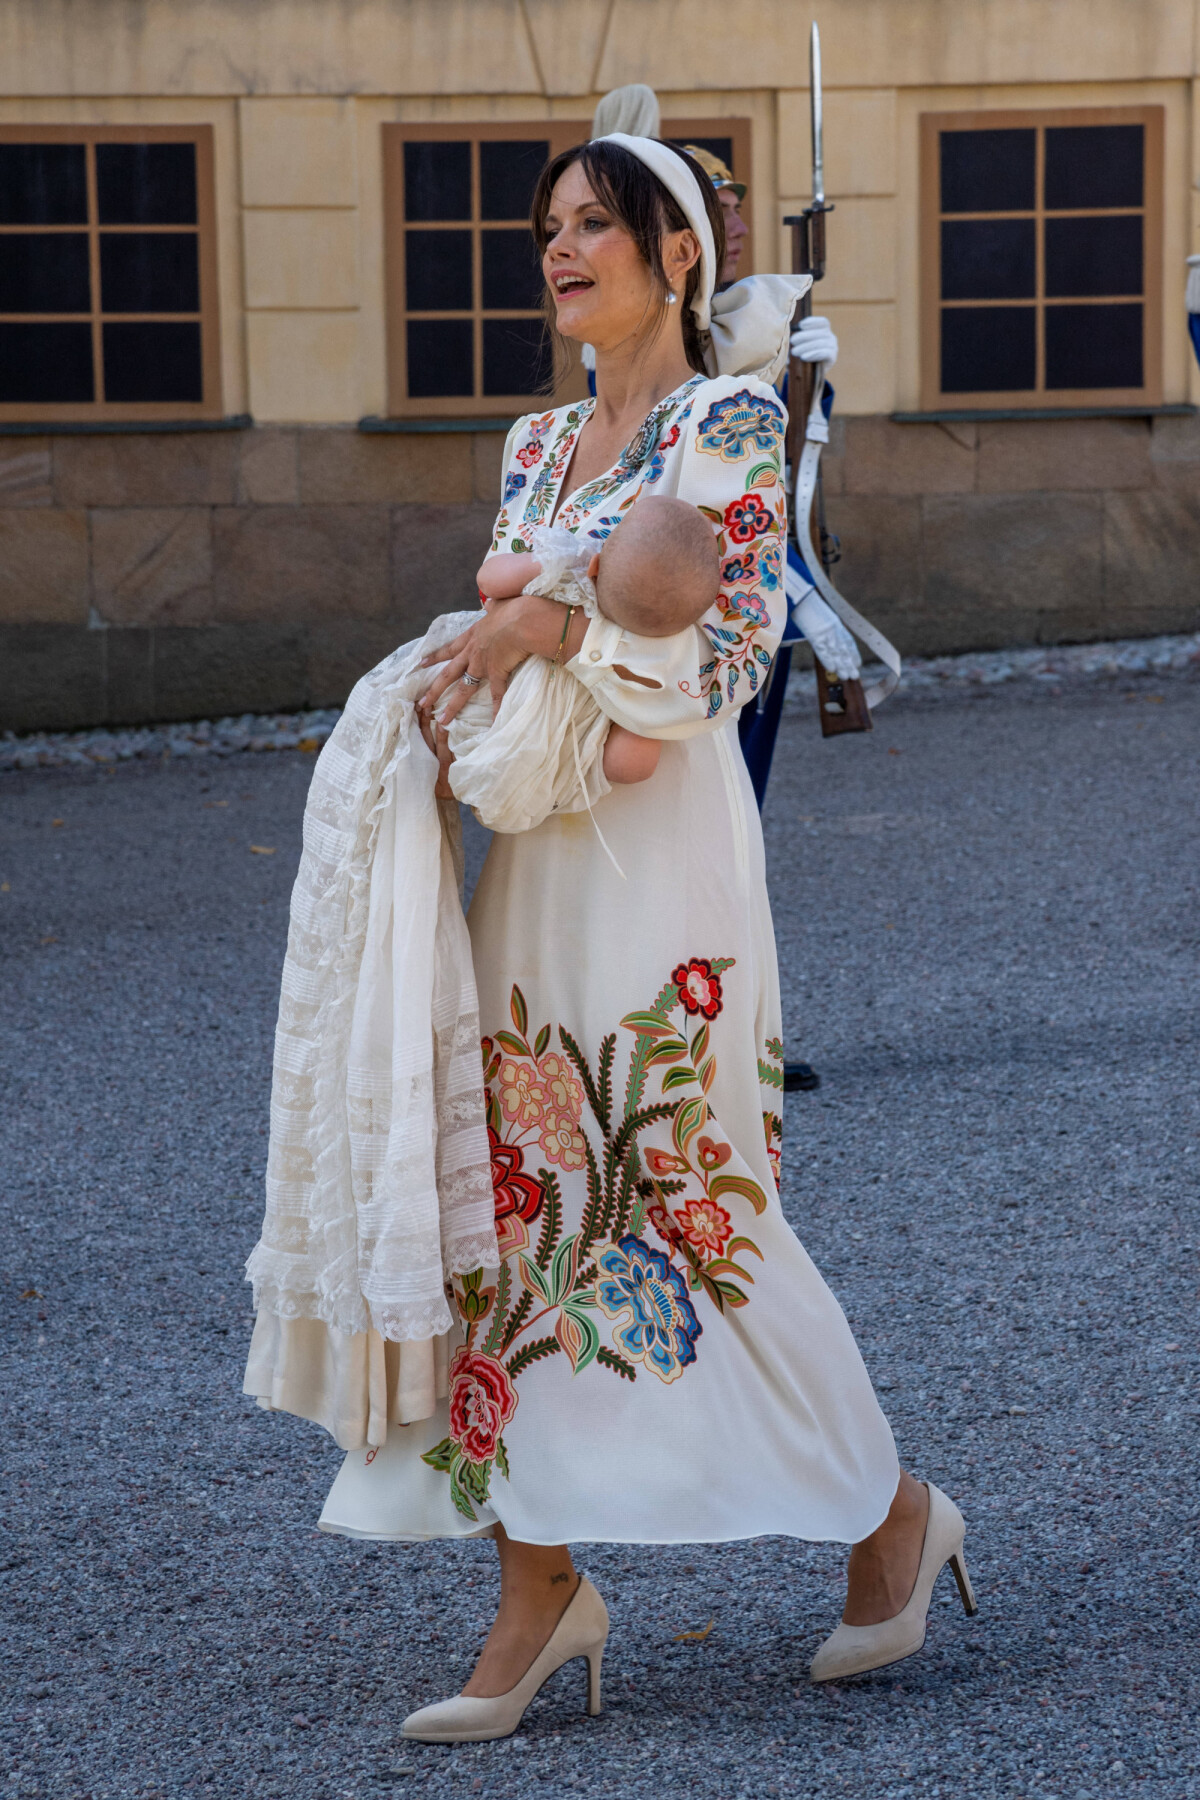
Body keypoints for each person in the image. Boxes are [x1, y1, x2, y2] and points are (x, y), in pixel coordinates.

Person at [246, 133, 976, 1745]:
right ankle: (539, 1590)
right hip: (544, 859)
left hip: (668, 866)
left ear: (676, 251)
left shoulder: (729, 420)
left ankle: (892, 1519)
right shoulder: (535, 442)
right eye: (548, 229)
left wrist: (548, 621)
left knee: (694, 1208)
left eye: (596, 224)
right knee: (516, 1207)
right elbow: (528, 661)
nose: (563, 250)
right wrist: (488, 671)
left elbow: (730, 643)